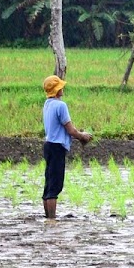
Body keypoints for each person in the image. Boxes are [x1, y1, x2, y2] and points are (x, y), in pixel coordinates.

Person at [41, 75, 93, 219]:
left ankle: (48, 218)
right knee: (55, 186)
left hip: (48, 146)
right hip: (57, 148)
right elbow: (71, 130)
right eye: (60, 87)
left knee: (49, 184)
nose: (62, 88)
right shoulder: (61, 105)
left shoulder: (47, 104)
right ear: (56, 90)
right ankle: (52, 220)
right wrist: (83, 136)